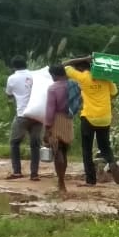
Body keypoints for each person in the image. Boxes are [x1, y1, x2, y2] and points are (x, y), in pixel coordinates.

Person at [62, 56, 119, 186]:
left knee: (87, 149)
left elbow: (64, 66)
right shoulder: (106, 78)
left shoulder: (83, 77)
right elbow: (114, 92)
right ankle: (111, 161)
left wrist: (83, 58)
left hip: (89, 117)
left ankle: (91, 180)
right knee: (105, 146)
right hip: (105, 117)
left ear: (82, 68)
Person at [5, 57, 43, 181]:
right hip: (37, 114)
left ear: (14, 67)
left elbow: (9, 94)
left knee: (14, 142)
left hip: (22, 114)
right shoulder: (34, 76)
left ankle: (17, 171)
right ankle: (34, 174)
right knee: (35, 145)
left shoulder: (12, 78)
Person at [44, 65, 75, 194]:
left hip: (56, 120)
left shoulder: (53, 88)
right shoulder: (73, 85)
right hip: (68, 119)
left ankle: (61, 183)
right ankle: (61, 182)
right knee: (64, 151)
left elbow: (50, 111)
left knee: (57, 152)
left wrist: (47, 127)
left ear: (54, 75)